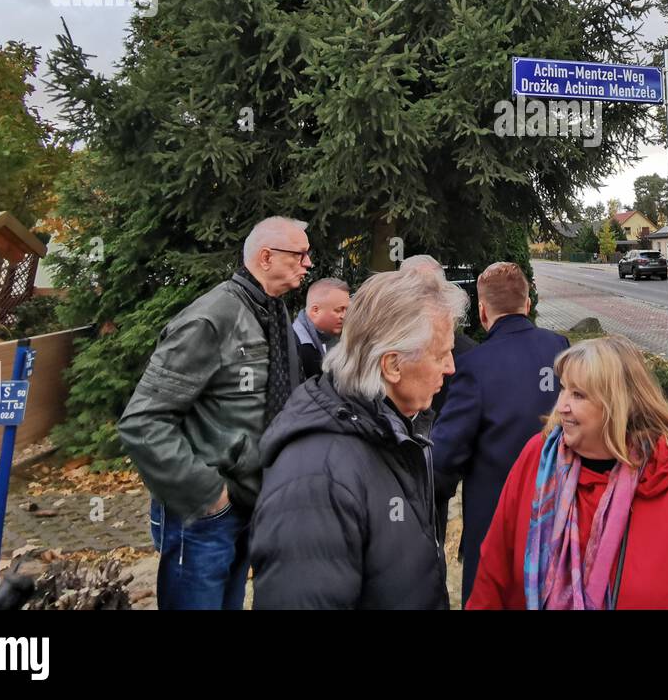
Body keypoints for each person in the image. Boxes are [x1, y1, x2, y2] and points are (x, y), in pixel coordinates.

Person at [467, 335, 668, 609]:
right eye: (563, 389)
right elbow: (493, 570)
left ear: (617, 406)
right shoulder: (538, 458)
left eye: (578, 395)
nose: (561, 406)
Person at [249, 267, 469, 609]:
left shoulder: (396, 428)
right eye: (440, 355)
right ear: (392, 365)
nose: (451, 367)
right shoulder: (317, 479)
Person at [119, 215, 309, 610]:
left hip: (247, 505)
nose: (308, 263)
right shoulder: (211, 318)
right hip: (206, 515)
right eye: (300, 255)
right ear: (266, 257)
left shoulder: (272, 313)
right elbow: (143, 422)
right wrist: (209, 495)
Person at [430, 261, 567, 606]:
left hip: (496, 526)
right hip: (559, 513)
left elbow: (444, 456)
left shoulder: (473, 366)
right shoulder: (560, 347)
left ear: (482, 311)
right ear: (527, 303)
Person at [396, 254, 480, 541]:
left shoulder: (467, 355)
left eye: (431, 291)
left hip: (435, 476)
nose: (448, 367)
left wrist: (441, 476)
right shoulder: (378, 350)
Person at [292, 277, 350, 381]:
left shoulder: (329, 336)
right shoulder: (296, 346)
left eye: (346, 310)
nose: (344, 316)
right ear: (315, 311)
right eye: (338, 310)